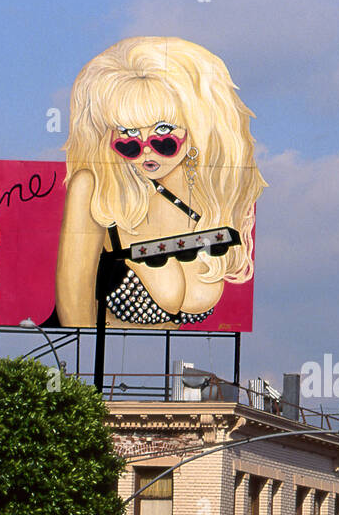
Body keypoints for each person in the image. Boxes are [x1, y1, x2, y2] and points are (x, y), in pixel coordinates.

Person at [54, 36, 267, 329]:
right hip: (96, 368)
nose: (146, 150)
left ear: (197, 128)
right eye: (128, 135)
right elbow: (74, 316)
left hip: (169, 369)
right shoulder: (95, 186)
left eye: (163, 132)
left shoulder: (219, 196)